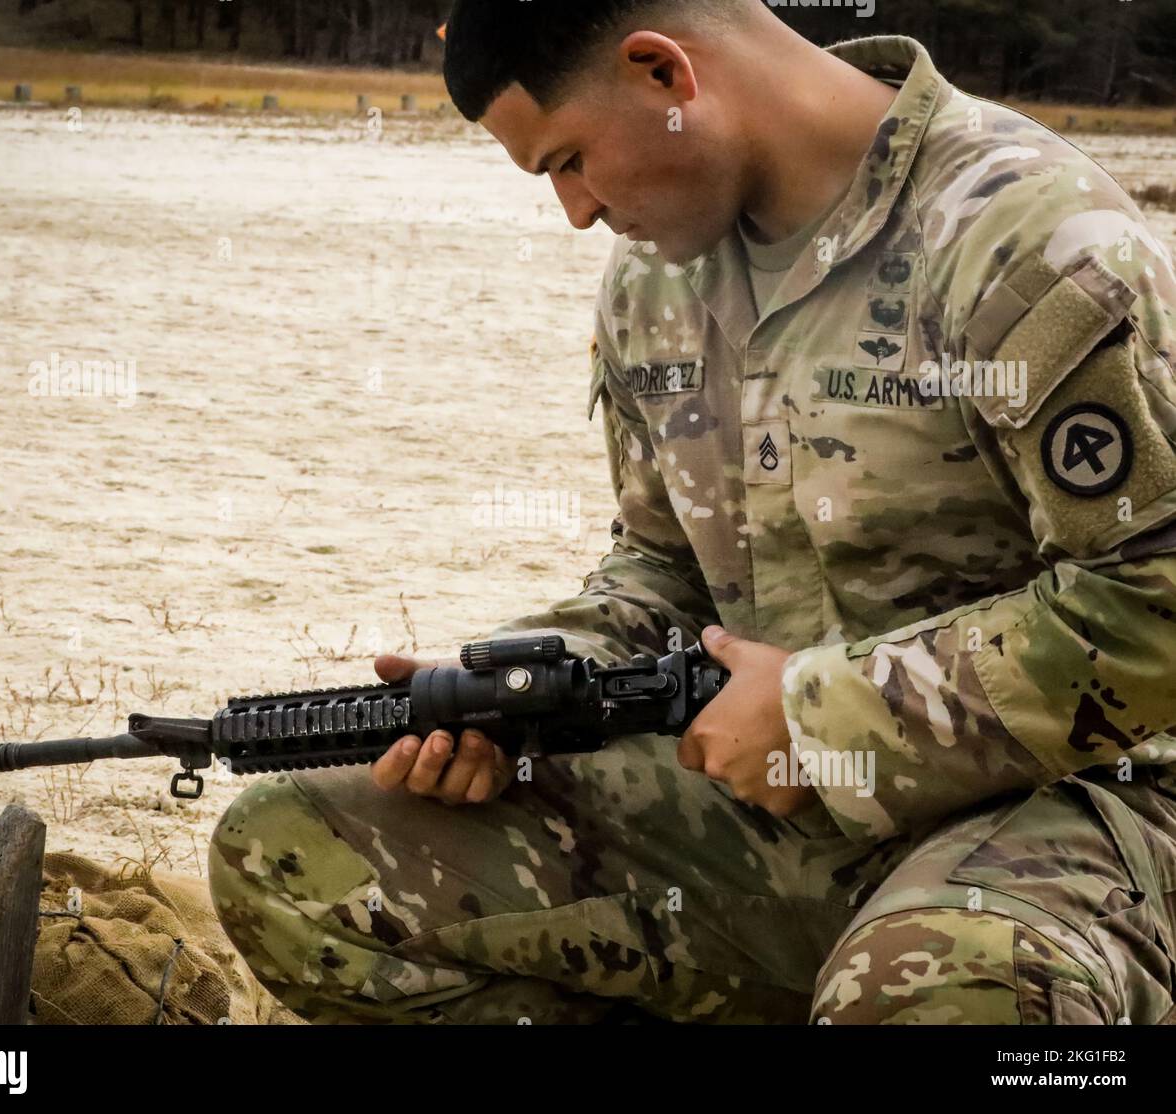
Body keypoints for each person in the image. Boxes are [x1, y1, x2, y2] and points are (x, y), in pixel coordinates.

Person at [209, 0, 1176, 1024]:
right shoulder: (651, 284)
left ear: (662, 73)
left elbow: (1157, 597)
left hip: (1069, 811)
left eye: (567, 160)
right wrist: (520, 684)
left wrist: (821, 713)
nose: (575, 210)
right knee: (291, 856)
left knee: (948, 988)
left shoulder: (1022, 235)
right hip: (765, 815)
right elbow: (662, 568)